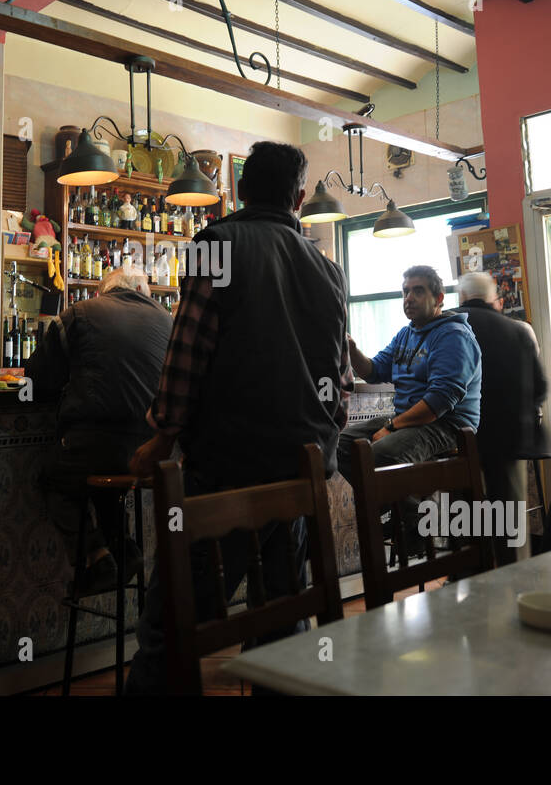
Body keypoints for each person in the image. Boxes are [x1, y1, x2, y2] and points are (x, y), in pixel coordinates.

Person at [125, 141, 351, 694]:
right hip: (299, 471)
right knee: (282, 625)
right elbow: (338, 382)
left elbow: (186, 353)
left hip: (228, 471)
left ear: (241, 190)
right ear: (299, 197)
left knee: (173, 625)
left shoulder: (216, 243)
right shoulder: (328, 269)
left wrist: (162, 436)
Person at [24, 265, 171, 595]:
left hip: (91, 444)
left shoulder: (80, 313)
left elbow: (37, 378)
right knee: (106, 484)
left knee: (54, 480)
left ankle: (97, 555)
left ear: (105, 290)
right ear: (143, 290)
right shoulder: (167, 320)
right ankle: (126, 550)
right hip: (153, 451)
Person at [339, 266, 482, 481]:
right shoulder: (406, 334)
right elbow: (374, 371)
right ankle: (382, 505)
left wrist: (391, 427)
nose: (409, 298)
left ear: (439, 298)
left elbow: (439, 401)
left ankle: (409, 513)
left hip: (448, 425)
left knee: (380, 454)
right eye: (406, 292)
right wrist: (352, 349)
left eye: (419, 291)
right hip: (407, 420)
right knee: (339, 445)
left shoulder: (454, 336)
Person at [452, 271, 548, 564]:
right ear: (494, 300)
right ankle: (513, 585)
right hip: (507, 441)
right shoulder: (518, 331)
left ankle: (466, 580)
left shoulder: (446, 326)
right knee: (508, 527)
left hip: (458, 441)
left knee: (464, 521)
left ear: (463, 297)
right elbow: (540, 387)